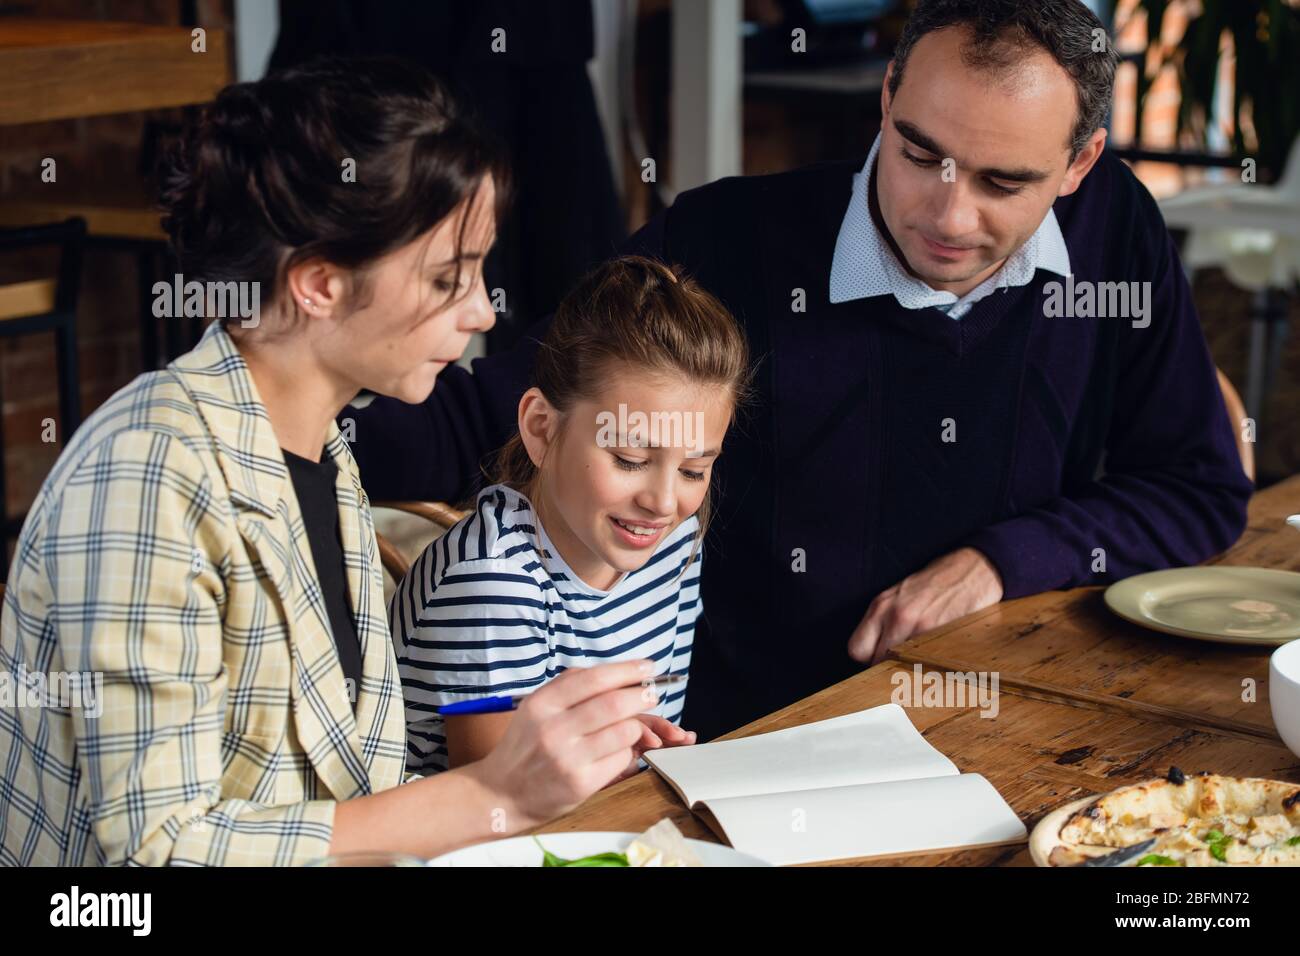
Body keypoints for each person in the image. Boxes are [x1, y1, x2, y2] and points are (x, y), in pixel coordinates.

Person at [343, 1, 1253, 743]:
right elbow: (478, 422)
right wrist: (278, 385)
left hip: (1017, 707)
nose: (947, 211)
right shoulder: (726, 240)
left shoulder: (1116, 229)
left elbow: (1198, 487)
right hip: (748, 748)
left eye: (1000, 183)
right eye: (918, 151)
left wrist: (999, 560)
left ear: (1079, 164)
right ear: (888, 94)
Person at [0, 58, 661, 867]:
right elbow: (157, 852)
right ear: (317, 283)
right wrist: (493, 793)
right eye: (448, 277)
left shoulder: (325, 451)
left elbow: (341, 796)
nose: (484, 309)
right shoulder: (145, 476)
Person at [392, 255, 750, 773]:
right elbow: (501, 811)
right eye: (630, 459)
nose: (664, 502)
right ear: (541, 428)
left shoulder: (674, 540)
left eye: (694, 470)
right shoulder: (493, 583)